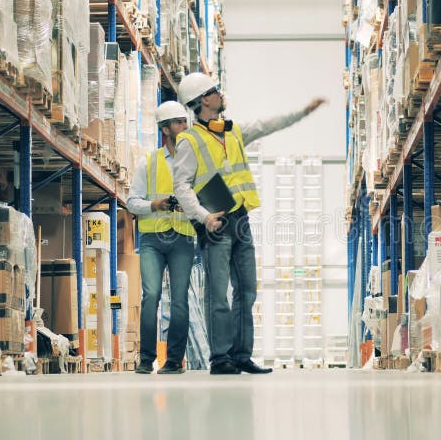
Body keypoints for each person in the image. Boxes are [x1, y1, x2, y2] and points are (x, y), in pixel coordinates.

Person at [172, 72, 326, 375]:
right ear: (204, 100)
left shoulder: (233, 132)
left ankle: (241, 355)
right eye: (215, 91)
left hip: (241, 220)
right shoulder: (190, 141)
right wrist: (204, 217)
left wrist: (304, 112)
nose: (221, 95)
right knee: (219, 294)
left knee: (247, 290)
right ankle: (221, 358)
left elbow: (268, 124)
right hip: (215, 224)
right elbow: (181, 185)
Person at [127, 100, 197, 374]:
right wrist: (155, 205)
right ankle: (146, 360)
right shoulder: (149, 162)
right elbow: (132, 201)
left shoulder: (195, 163)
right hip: (153, 239)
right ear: (165, 129)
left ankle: (174, 361)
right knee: (151, 295)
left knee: (179, 298)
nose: (184, 126)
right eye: (179, 122)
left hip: (182, 238)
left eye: (185, 121)